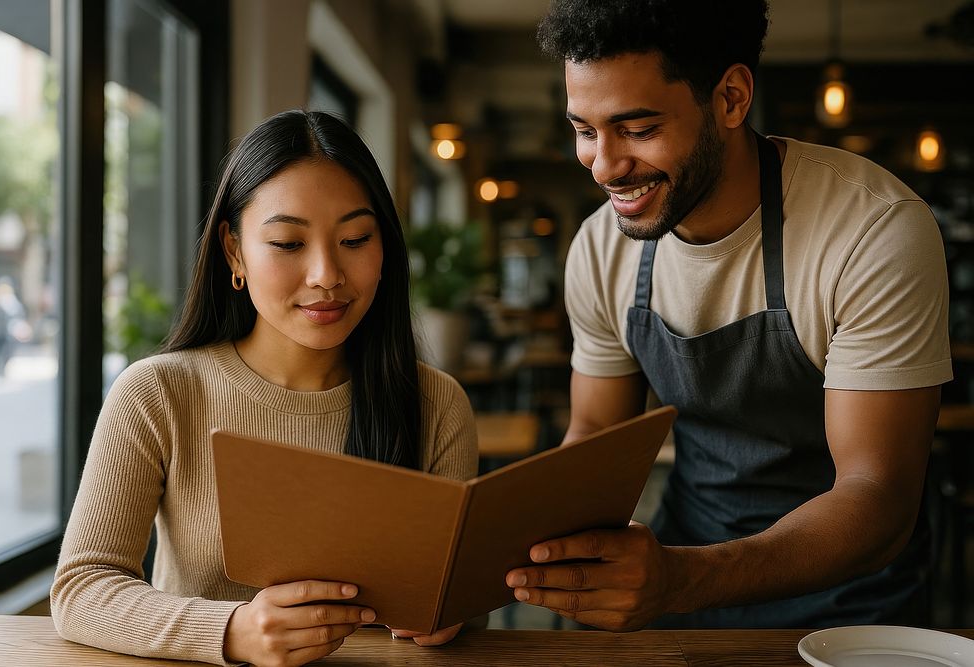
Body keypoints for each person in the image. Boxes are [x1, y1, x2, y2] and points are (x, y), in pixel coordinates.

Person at [505, 0, 950, 629]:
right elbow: (595, 436)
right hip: (683, 558)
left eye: (638, 129)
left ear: (731, 99)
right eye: (584, 131)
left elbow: (877, 497)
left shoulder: (871, 231)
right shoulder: (601, 248)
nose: (604, 166)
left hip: (850, 596)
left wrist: (681, 582)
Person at [51, 110, 478, 665]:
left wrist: (452, 614)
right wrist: (234, 630)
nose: (326, 274)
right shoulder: (158, 393)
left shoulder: (436, 403)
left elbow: (460, 605)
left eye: (354, 238)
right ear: (234, 251)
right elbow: (82, 589)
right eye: (287, 243)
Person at [0, 277, 30, 377]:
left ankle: (3, 368)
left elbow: (19, 313)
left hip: (8, 332)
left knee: (8, 350)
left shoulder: (12, 300)